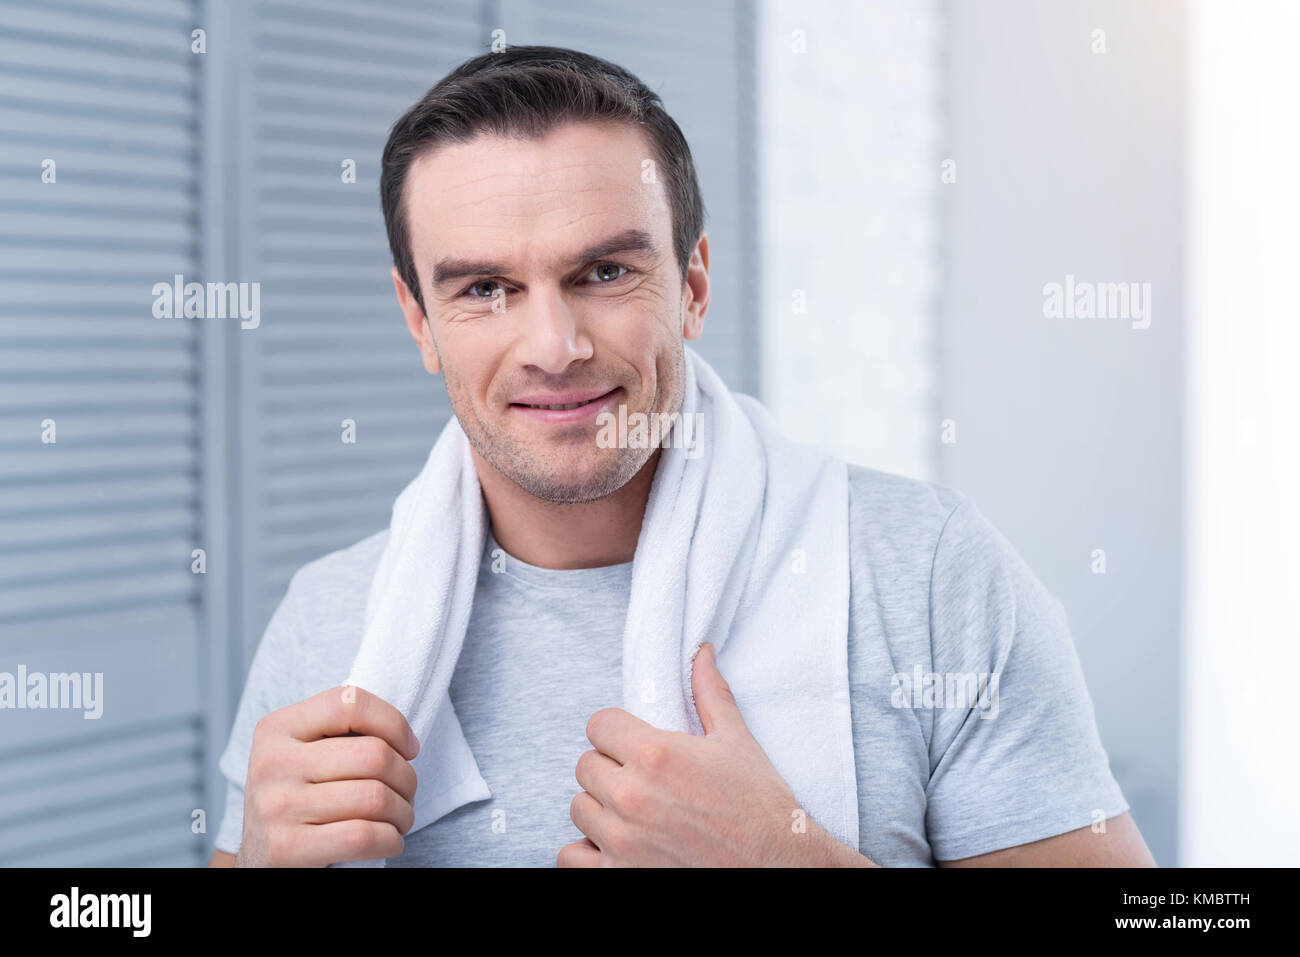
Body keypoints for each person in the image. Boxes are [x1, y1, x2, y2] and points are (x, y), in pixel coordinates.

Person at [208, 46, 1153, 868]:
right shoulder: (333, 624)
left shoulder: (930, 577)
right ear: (419, 321)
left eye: (606, 272)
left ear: (693, 285)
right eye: (486, 288)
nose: (554, 344)